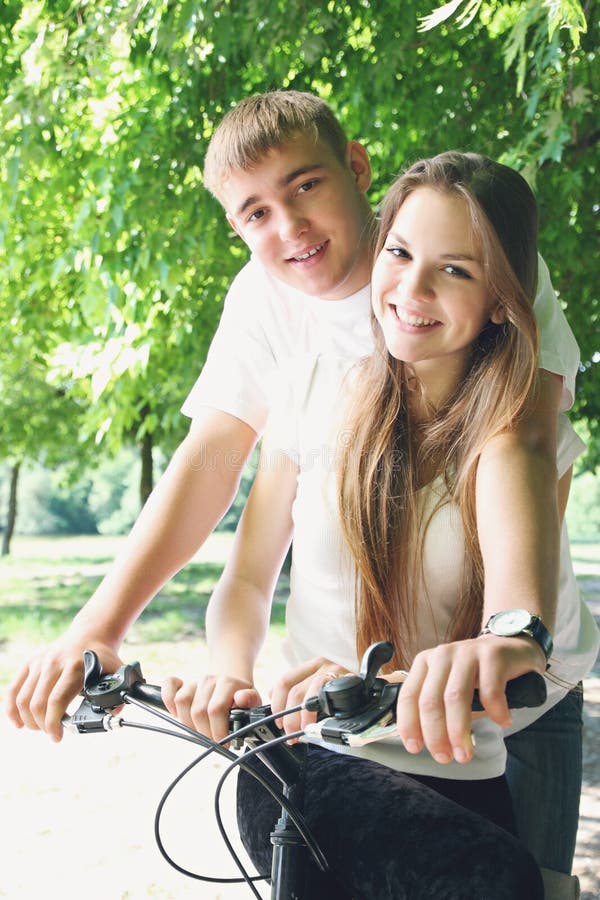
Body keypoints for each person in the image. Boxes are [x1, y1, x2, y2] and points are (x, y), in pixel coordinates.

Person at [4, 91, 587, 877]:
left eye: (305, 186)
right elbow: (214, 461)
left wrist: (507, 633)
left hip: (514, 685)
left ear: (355, 169)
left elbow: (521, 438)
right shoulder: (284, 332)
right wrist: (108, 633)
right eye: (255, 213)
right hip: (345, 708)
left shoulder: (468, 231)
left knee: (523, 880)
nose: (290, 228)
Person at [164, 151, 598, 898]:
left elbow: (516, 591)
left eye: (455, 270)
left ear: (500, 299)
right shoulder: (313, 391)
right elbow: (246, 573)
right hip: (322, 756)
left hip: (476, 753)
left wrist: (510, 636)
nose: (412, 288)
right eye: (398, 253)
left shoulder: (513, 432)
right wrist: (230, 673)